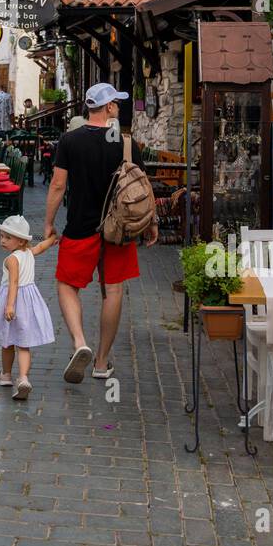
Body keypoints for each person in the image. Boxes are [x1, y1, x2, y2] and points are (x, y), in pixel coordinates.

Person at [44, 82, 158, 384]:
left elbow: (57, 185)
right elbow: (143, 187)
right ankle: (101, 362)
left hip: (80, 226)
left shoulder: (69, 141)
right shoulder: (126, 143)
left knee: (67, 285)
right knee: (114, 290)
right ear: (107, 108)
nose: (118, 107)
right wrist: (152, 223)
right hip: (119, 229)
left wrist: (48, 223)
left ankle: (80, 342)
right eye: (115, 103)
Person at [0, 216, 57, 401]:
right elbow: (40, 247)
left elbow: (13, 282)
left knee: (7, 342)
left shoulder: (11, 259)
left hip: (13, 301)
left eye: (8, 237)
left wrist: (9, 305)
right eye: (1, 236)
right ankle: (23, 378)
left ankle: (6, 375)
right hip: (29, 302)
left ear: (21, 240)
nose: (2, 241)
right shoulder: (29, 252)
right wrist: (52, 239)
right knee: (23, 344)